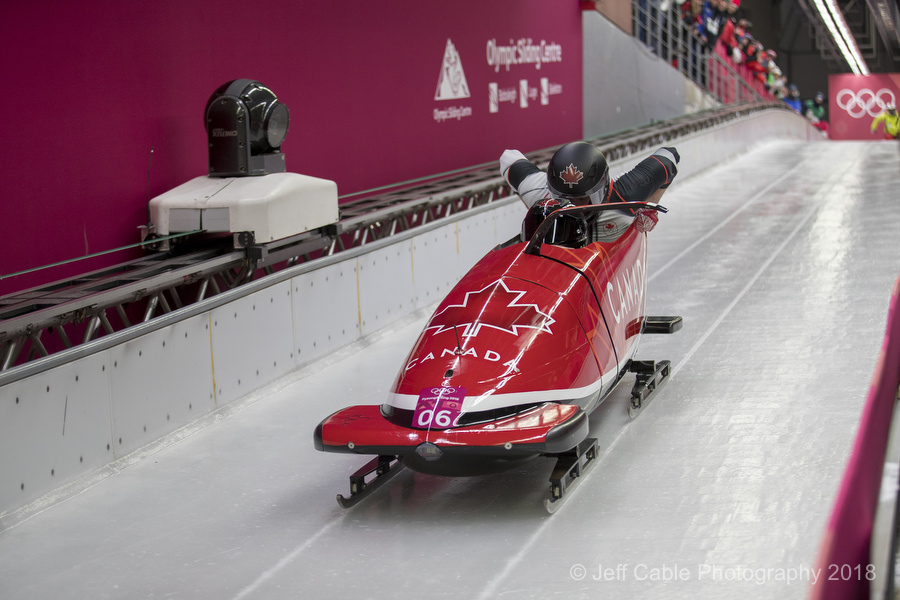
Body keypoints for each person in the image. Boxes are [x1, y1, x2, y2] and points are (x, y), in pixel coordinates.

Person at [500, 142, 679, 243]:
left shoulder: (626, 193)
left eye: (581, 198)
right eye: (564, 198)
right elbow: (508, 156)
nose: (573, 207)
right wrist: (531, 205)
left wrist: (650, 207)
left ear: (599, 192)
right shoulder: (539, 192)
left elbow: (670, 156)